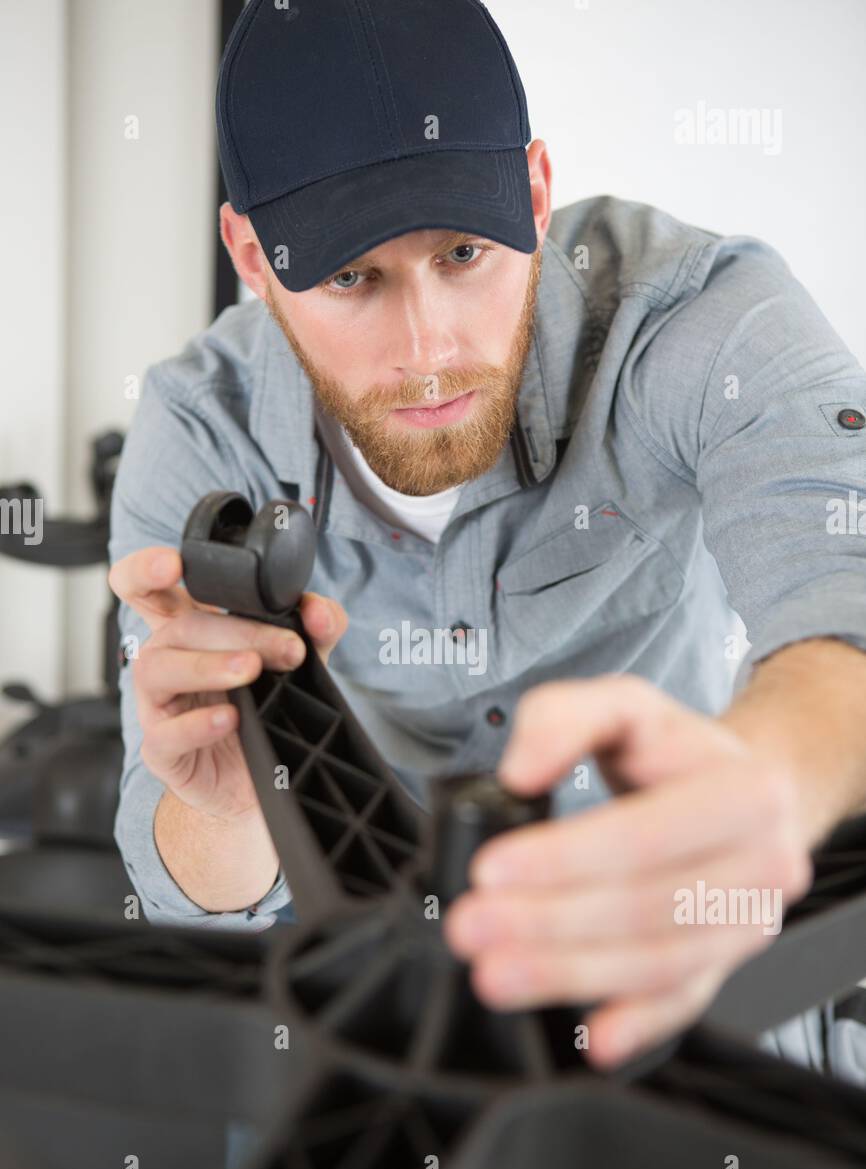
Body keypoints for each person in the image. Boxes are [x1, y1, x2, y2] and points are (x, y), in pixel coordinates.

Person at [108, 0, 866, 1078]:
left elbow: (846, 575)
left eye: (464, 251)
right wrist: (228, 813)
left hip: (694, 973)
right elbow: (184, 900)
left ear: (535, 191)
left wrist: (768, 782)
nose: (427, 351)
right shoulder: (198, 430)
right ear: (247, 252)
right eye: (350, 278)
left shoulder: (698, 319)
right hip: (374, 1023)